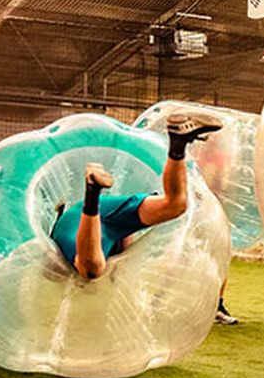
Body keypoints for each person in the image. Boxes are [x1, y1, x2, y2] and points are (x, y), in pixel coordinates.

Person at [50, 113, 222, 280]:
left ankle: (178, 142)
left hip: (80, 225)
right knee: (92, 268)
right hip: (91, 222)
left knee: (176, 206)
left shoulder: (71, 257)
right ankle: (93, 193)